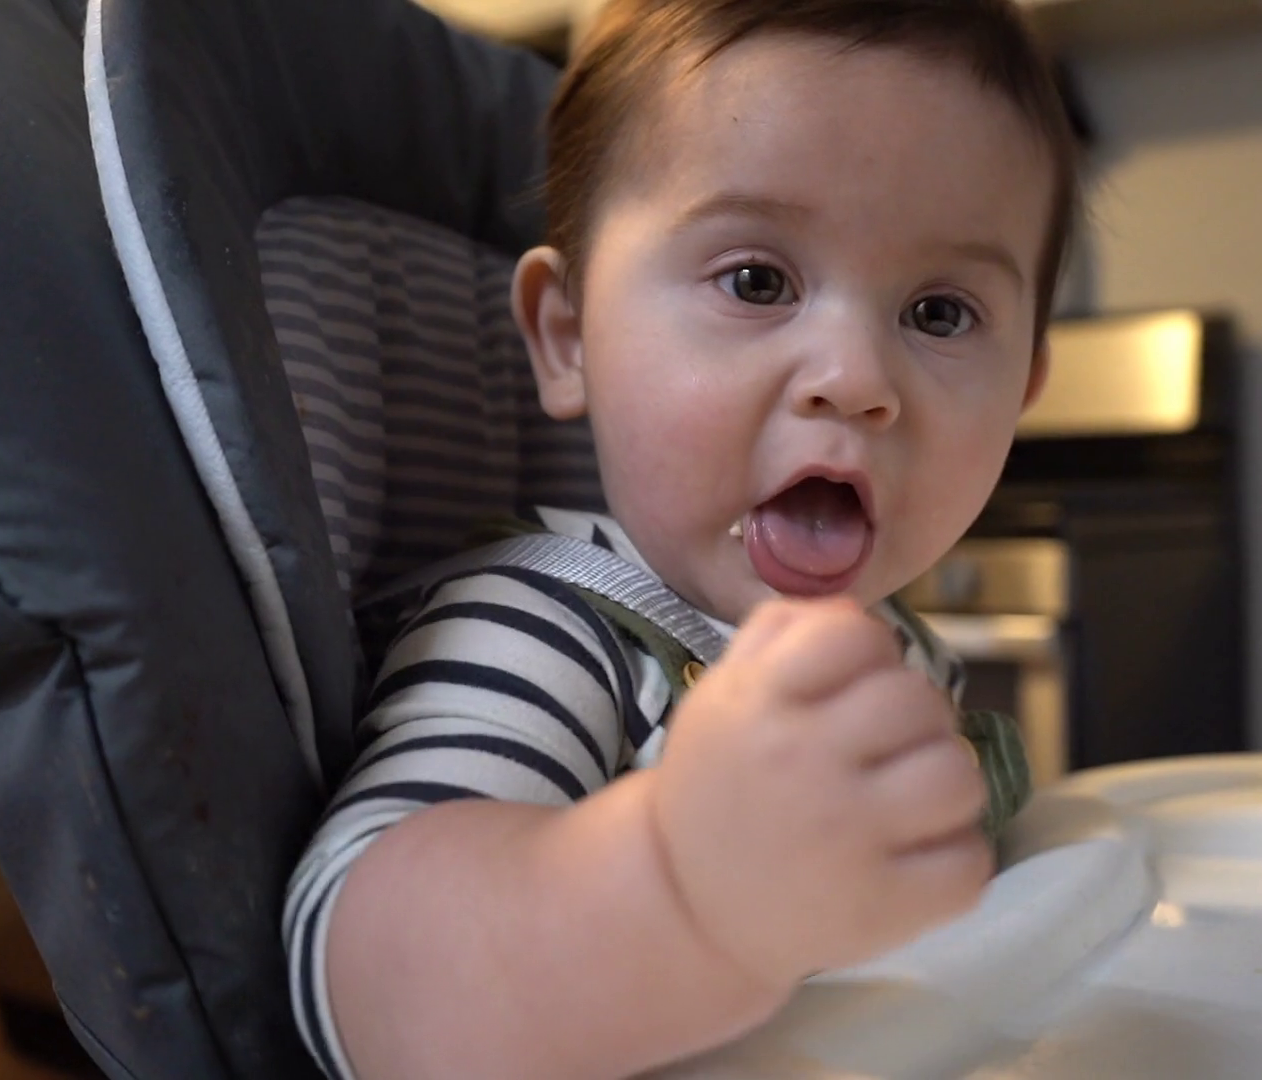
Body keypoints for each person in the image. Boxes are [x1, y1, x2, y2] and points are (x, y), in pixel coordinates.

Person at [283, 1, 1078, 1076]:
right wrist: (680, 885)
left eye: (939, 313)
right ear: (569, 338)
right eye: (757, 281)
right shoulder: (550, 628)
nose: (854, 377)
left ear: (1024, 385)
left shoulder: (900, 657)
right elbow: (368, 985)